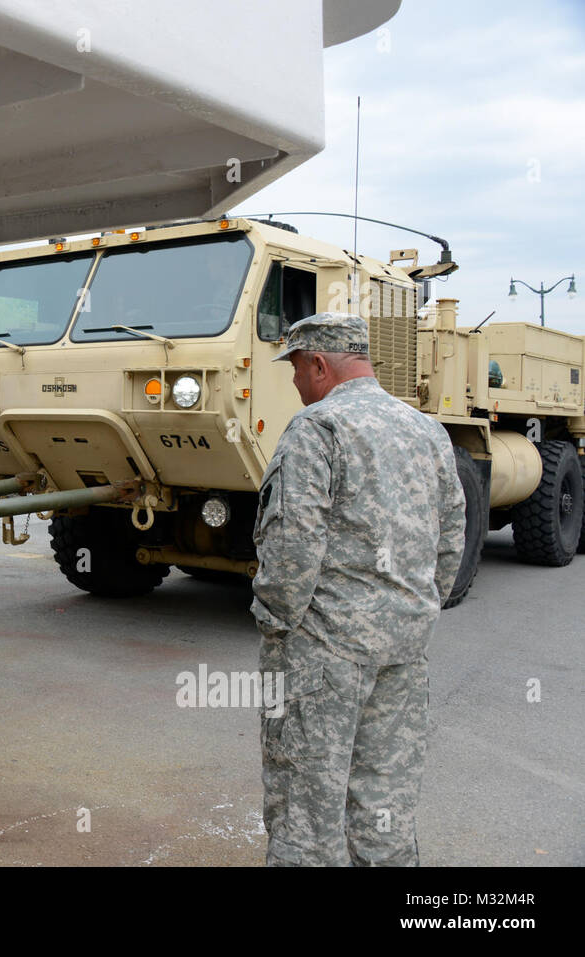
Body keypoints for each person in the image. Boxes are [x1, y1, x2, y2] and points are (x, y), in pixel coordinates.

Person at [251, 312, 466, 866]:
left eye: (297, 369)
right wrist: (410, 614)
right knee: (384, 803)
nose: (296, 382)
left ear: (318, 364)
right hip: (404, 651)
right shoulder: (427, 430)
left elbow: (292, 549)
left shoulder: (318, 428)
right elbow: (449, 545)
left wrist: (276, 625)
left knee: (305, 805)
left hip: (323, 654)